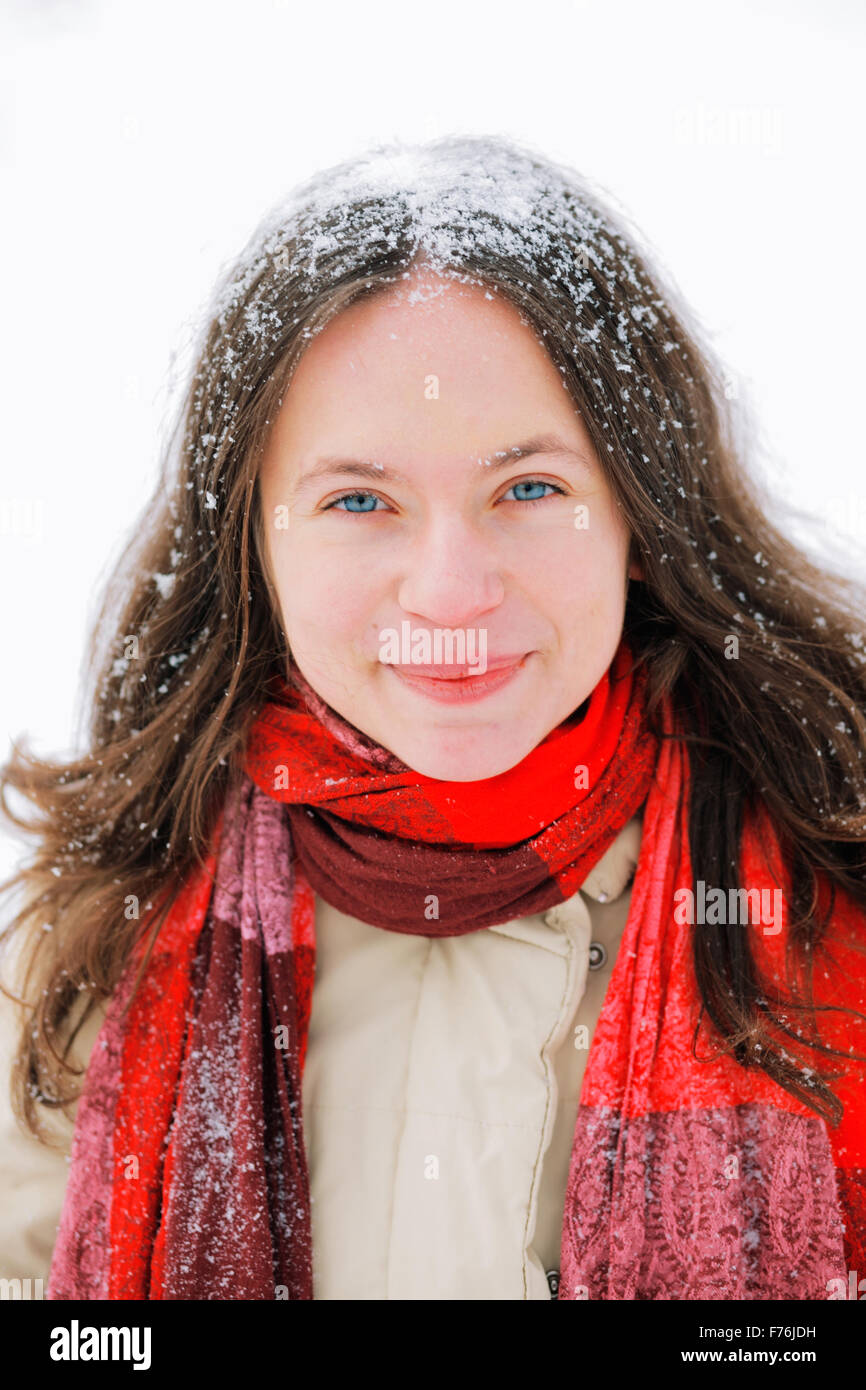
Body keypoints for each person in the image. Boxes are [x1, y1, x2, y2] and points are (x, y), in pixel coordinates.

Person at [1, 133, 865, 1302]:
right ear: (253, 540)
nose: (449, 591)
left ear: (639, 516)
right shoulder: (92, 933)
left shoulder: (830, 884)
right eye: (359, 499)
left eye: (528, 489)